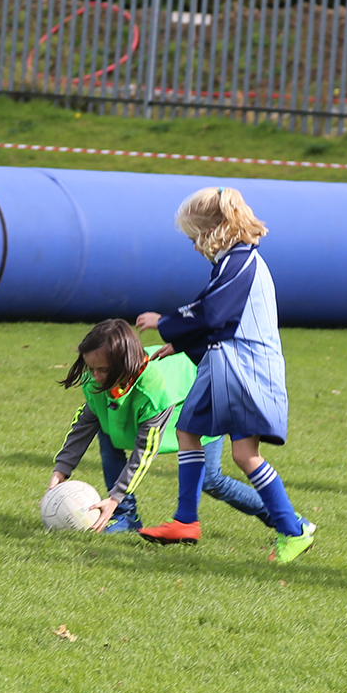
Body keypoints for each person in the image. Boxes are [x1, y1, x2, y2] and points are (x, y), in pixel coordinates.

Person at [135, 186, 315, 564]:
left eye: (194, 236)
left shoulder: (240, 263)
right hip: (225, 362)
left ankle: (293, 530)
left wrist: (164, 323)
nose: (194, 244)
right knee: (188, 430)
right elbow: (216, 315)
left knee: (245, 455)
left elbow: (212, 314)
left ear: (213, 230)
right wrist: (181, 344)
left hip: (243, 366)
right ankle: (185, 520)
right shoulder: (233, 262)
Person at [48, 319, 281, 535]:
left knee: (210, 480)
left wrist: (115, 496)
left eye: (103, 370)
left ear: (124, 362)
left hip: (203, 400)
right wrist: (61, 470)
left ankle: (284, 518)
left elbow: (145, 450)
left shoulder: (154, 391)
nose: (95, 376)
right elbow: (87, 421)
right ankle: (126, 516)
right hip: (147, 408)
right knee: (107, 430)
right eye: (91, 368)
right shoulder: (96, 379)